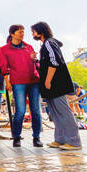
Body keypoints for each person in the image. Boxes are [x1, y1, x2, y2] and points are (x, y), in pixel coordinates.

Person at [32, 22, 81, 150]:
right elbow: (47, 62)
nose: (32, 34)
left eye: (34, 31)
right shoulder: (46, 44)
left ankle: (74, 141)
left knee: (63, 111)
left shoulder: (49, 43)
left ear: (40, 31)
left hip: (55, 83)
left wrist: (48, 80)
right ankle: (60, 139)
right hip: (51, 84)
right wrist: (36, 61)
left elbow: (54, 62)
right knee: (55, 113)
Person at [0, 24, 43, 148]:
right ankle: (16, 137)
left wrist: (35, 59)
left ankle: (37, 137)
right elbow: (4, 67)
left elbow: (35, 63)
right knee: (20, 111)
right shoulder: (4, 49)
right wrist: (7, 82)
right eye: (19, 32)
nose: (22, 34)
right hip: (18, 82)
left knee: (36, 111)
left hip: (34, 80)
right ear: (12, 34)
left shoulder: (28, 46)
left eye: (23, 32)